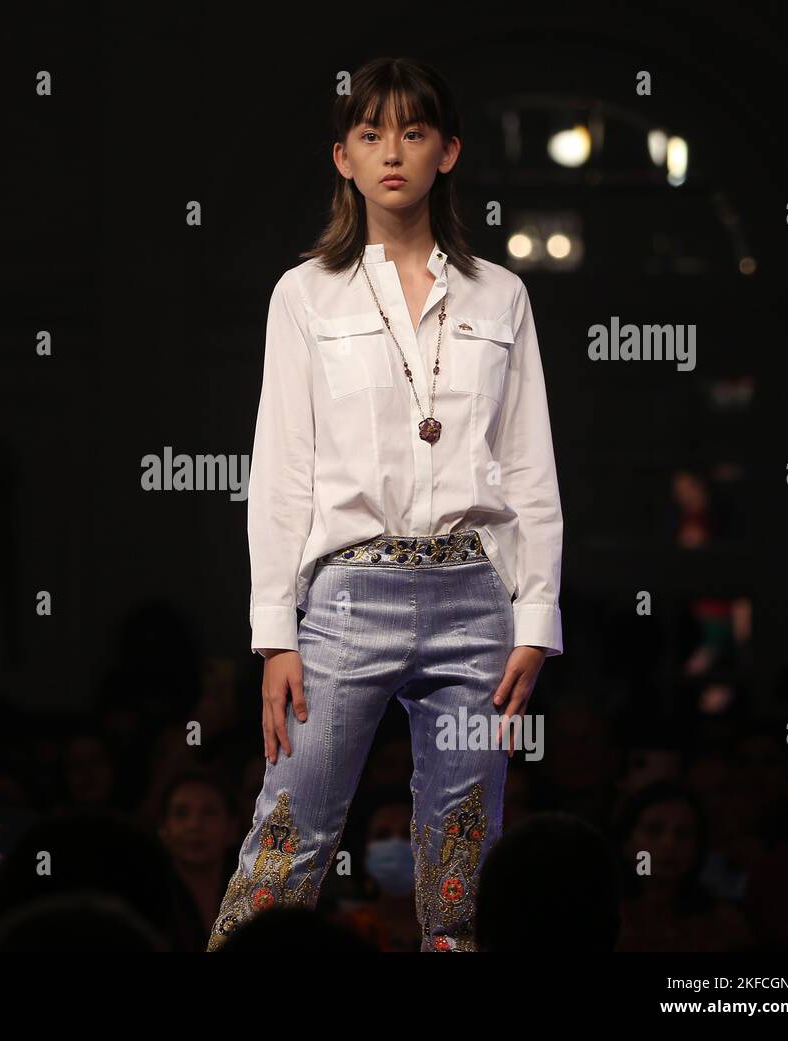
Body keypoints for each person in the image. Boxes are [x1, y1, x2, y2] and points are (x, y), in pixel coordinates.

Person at [207, 57, 564, 952]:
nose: (391, 152)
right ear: (343, 155)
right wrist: (275, 634)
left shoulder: (500, 294)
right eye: (371, 134)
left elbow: (527, 466)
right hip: (345, 596)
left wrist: (536, 616)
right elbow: (282, 470)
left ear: (447, 151)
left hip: (475, 600)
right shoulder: (305, 295)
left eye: (411, 132)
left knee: (463, 868)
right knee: (284, 847)